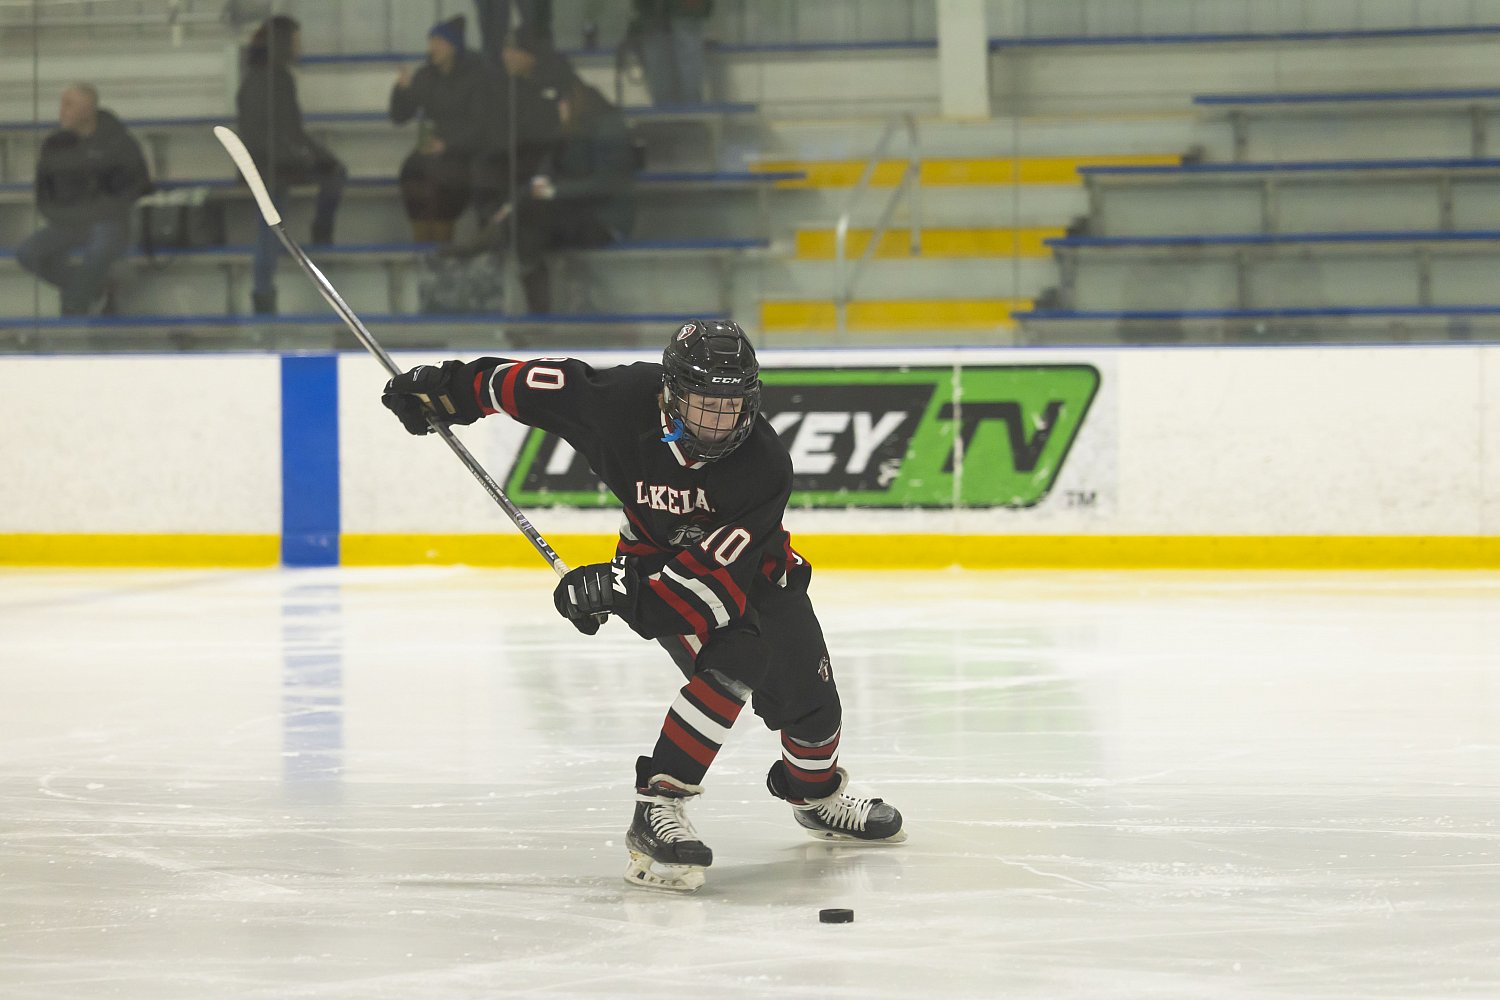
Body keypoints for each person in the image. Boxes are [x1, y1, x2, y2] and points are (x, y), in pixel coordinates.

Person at [378, 320, 906, 893]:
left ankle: (816, 796)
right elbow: (525, 384)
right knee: (737, 656)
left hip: (753, 571)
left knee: (813, 710)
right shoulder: (617, 402)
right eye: (704, 406)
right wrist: (450, 392)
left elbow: (712, 575)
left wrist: (615, 589)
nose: (717, 424)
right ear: (670, 394)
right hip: (653, 558)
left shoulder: (764, 463)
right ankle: (659, 806)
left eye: (731, 408)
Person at [236, 15, 348, 315]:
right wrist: (304, 157)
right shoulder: (267, 80)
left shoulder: (271, 76)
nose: (300, 46)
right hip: (268, 166)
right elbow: (268, 135)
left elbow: (291, 130)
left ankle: (321, 232)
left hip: (281, 160)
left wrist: (315, 156)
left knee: (334, 174)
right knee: (270, 229)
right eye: (296, 40)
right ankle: (263, 297)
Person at [17, 83, 150, 315]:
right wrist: (65, 218)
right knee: (27, 253)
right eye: (62, 104)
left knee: (101, 245)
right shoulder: (54, 145)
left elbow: (137, 186)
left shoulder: (119, 142)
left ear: (88, 110)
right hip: (68, 224)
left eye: (69, 105)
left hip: (110, 223)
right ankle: (94, 288)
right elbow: (44, 194)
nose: (61, 111)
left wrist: (100, 212)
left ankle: (74, 305)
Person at [508, 79, 636, 313]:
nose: (559, 108)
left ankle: (540, 309)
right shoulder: (570, 130)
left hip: (604, 220)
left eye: (563, 102)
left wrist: (553, 191)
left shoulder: (609, 129)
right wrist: (535, 188)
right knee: (523, 219)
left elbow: (604, 185)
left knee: (524, 222)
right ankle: (544, 307)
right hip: (573, 214)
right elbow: (547, 171)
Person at [390, 16, 495, 244]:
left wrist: (448, 145)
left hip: (464, 151)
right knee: (411, 171)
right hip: (431, 148)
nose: (432, 47)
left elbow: (481, 126)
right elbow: (399, 116)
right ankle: (422, 243)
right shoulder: (426, 75)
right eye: (431, 41)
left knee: (442, 182)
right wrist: (402, 90)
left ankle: (441, 246)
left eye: (439, 41)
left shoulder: (476, 77)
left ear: (454, 46)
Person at [632, 0, 712, 105]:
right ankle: (685, 108)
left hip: (679, 12)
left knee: (681, 55)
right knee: (682, 56)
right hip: (671, 13)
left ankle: (679, 108)